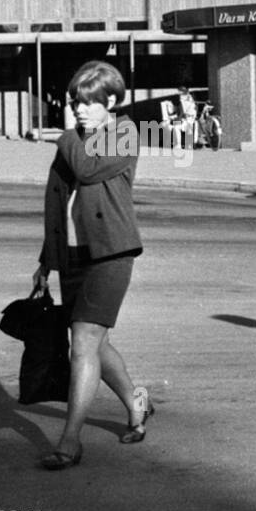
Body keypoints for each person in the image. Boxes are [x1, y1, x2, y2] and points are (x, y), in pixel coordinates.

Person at [33, 60, 151, 470]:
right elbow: (57, 203)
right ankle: (138, 405)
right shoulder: (78, 139)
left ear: (113, 101)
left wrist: (66, 137)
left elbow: (84, 170)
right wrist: (47, 259)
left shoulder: (123, 134)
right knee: (95, 344)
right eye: (74, 103)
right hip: (73, 257)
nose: (79, 110)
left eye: (88, 103)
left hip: (111, 254)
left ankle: (69, 441)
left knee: (82, 341)